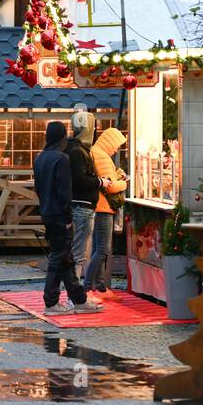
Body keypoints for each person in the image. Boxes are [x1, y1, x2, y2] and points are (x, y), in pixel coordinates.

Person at [32, 121, 102, 315]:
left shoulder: (40, 158)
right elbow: (64, 191)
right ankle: (51, 302)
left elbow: (38, 188)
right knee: (58, 258)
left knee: (66, 258)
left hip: (47, 211)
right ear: (62, 137)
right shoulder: (61, 158)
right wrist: (68, 216)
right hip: (60, 215)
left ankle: (78, 299)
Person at [84, 127, 128, 296]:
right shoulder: (101, 155)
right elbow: (109, 186)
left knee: (98, 248)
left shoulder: (97, 153)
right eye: (116, 145)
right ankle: (88, 287)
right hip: (104, 207)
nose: (117, 149)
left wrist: (116, 175)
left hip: (98, 206)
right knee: (103, 249)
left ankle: (100, 286)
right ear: (110, 142)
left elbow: (106, 179)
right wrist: (124, 183)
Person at [66, 110, 103, 278]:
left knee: (78, 252)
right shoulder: (78, 151)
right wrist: (100, 182)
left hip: (79, 205)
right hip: (82, 206)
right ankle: (74, 294)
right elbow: (81, 180)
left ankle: (74, 293)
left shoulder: (73, 148)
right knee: (79, 253)